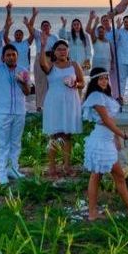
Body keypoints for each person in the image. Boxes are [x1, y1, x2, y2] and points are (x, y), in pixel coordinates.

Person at [82, 67, 128, 226]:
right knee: (117, 176)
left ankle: (93, 213)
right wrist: (123, 135)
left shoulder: (103, 96)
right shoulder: (95, 96)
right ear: (94, 81)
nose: (104, 81)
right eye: (101, 79)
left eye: (106, 78)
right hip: (100, 142)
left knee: (97, 176)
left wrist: (116, 139)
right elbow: (106, 121)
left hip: (106, 140)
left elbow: (110, 120)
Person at [0, 41, 32, 185]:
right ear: (3, 58)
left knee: (16, 143)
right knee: (3, 144)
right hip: (3, 113)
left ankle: (14, 169)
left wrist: (23, 82)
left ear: (17, 56)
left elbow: (28, 92)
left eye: (13, 55)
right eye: (8, 55)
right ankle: (1, 172)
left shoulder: (23, 70)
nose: (11, 57)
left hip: (19, 112)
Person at [39, 38, 85, 178]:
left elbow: (82, 82)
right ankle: (52, 167)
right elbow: (42, 64)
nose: (62, 51)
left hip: (70, 101)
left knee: (67, 135)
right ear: (54, 51)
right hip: (54, 102)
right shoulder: (51, 66)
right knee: (53, 135)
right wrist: (42, 46)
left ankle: (66, 166)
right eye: (59, 49)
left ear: (68, 51)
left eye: (64, 49)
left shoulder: (74, 65)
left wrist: (75, 85)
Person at [114, 15, 128, 104]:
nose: (127, 23)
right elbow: (114, 40)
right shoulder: (120, 32)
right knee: (121, 79)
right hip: (122, 59)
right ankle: (120, 97)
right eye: (125, 22)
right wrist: (117, 28)